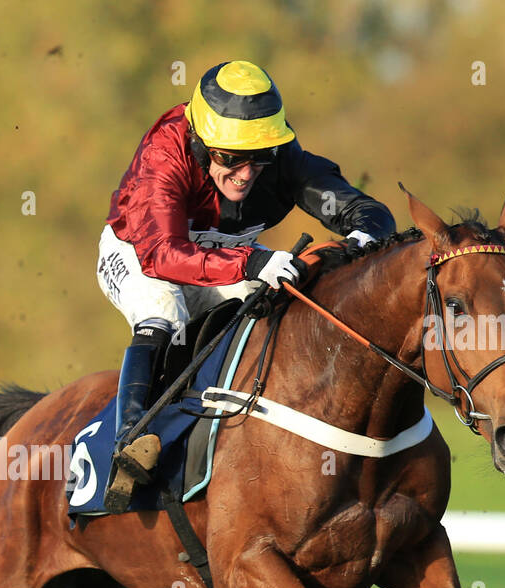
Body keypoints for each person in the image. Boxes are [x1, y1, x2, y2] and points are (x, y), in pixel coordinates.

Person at [97, 60, 397, 511]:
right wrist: (253, 260)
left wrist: (354, 243)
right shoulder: (164, 157)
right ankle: (130, 440)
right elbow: (161, 255)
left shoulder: (279, 153)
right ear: (200, 144)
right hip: (139, 254)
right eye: (228, 158)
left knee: (286, 306)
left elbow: (369, 214)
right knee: (164, 310)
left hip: (226, 262)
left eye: (257, 159)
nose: (244, 172)